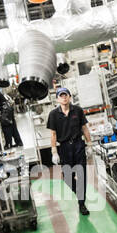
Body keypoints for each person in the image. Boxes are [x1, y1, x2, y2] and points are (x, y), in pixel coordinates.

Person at [46, 85, 91, 216]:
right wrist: (54, 152)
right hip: (64, 148)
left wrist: (89, 145)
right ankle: (79, 193)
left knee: (81, 175)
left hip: (78, 145)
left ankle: (81, 204)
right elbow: (53, 135)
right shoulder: (53, 115)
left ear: (70, 97)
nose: (64, 97)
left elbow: (85, 129)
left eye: (66, 95)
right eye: (61, 95)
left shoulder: (77, 110)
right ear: (57, 99)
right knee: (67, 178)